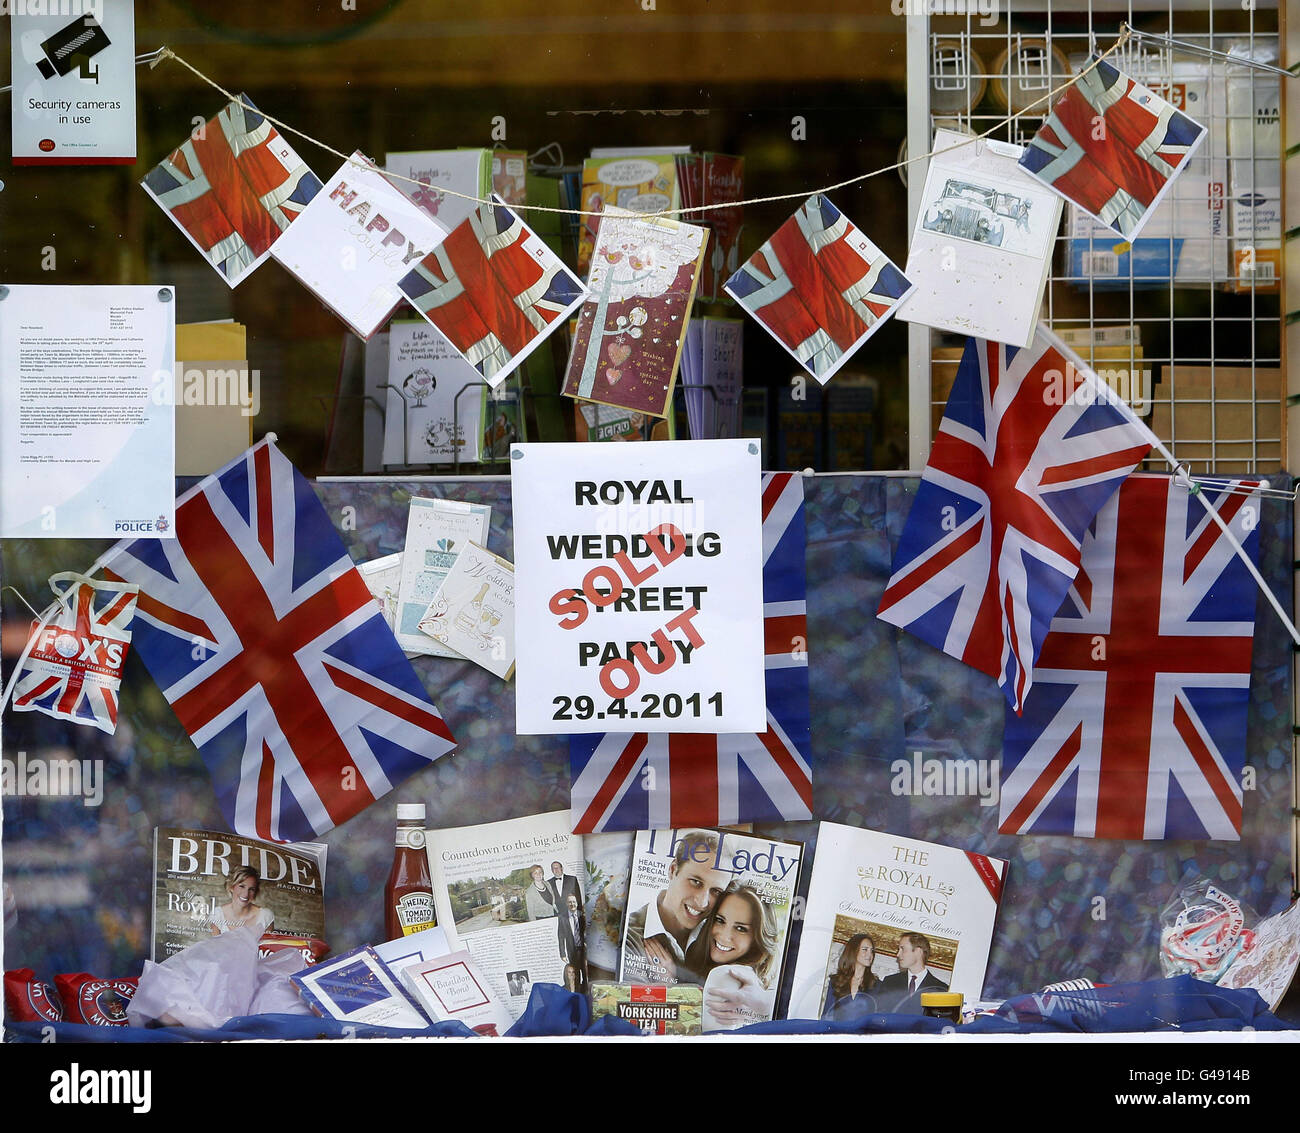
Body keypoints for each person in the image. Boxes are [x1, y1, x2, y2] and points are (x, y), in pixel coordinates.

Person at [623, 829, 729, 986]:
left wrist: (668, 985)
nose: (702, 902)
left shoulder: (721, 941)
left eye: (716, 891)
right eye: (695, 882)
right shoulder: (629, 935)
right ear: (673, 870)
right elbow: (627, 1006)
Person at [695, 883, 780, 1031]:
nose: (724, 936)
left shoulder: (725, 976)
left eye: (741, 929)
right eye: (720, 920)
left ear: (758, 939)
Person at [875, 932, 945, 1014]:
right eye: (898, 950)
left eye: (903, 949)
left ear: (918, 952)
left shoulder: (940, 990)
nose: (898, 954)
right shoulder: (889, 982)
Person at [821, 933, 880, 1021]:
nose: (870, 954)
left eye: (872, 951)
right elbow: (827, 1015)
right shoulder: (836, 981)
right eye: (865, 949)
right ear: (854, 951)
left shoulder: (877, 985)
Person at [209, 866, 274, 936]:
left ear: (255, 892)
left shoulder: (265, 916)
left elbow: (267, 946)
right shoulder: (217, 914)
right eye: (242, 886)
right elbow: (215, 946)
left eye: (251, 889)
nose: (246, 894)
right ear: (231, 887)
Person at [557, 893, 586, 983]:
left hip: (584, 950)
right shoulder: (562, 918)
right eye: (570, 902)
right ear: (566, 904)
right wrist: (562, 953)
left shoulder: (583, 916)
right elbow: (561, 937)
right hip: (572, 951)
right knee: (575, 975)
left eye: (574, 902)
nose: (572, 904)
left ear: (577, 903)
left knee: (586, 973)